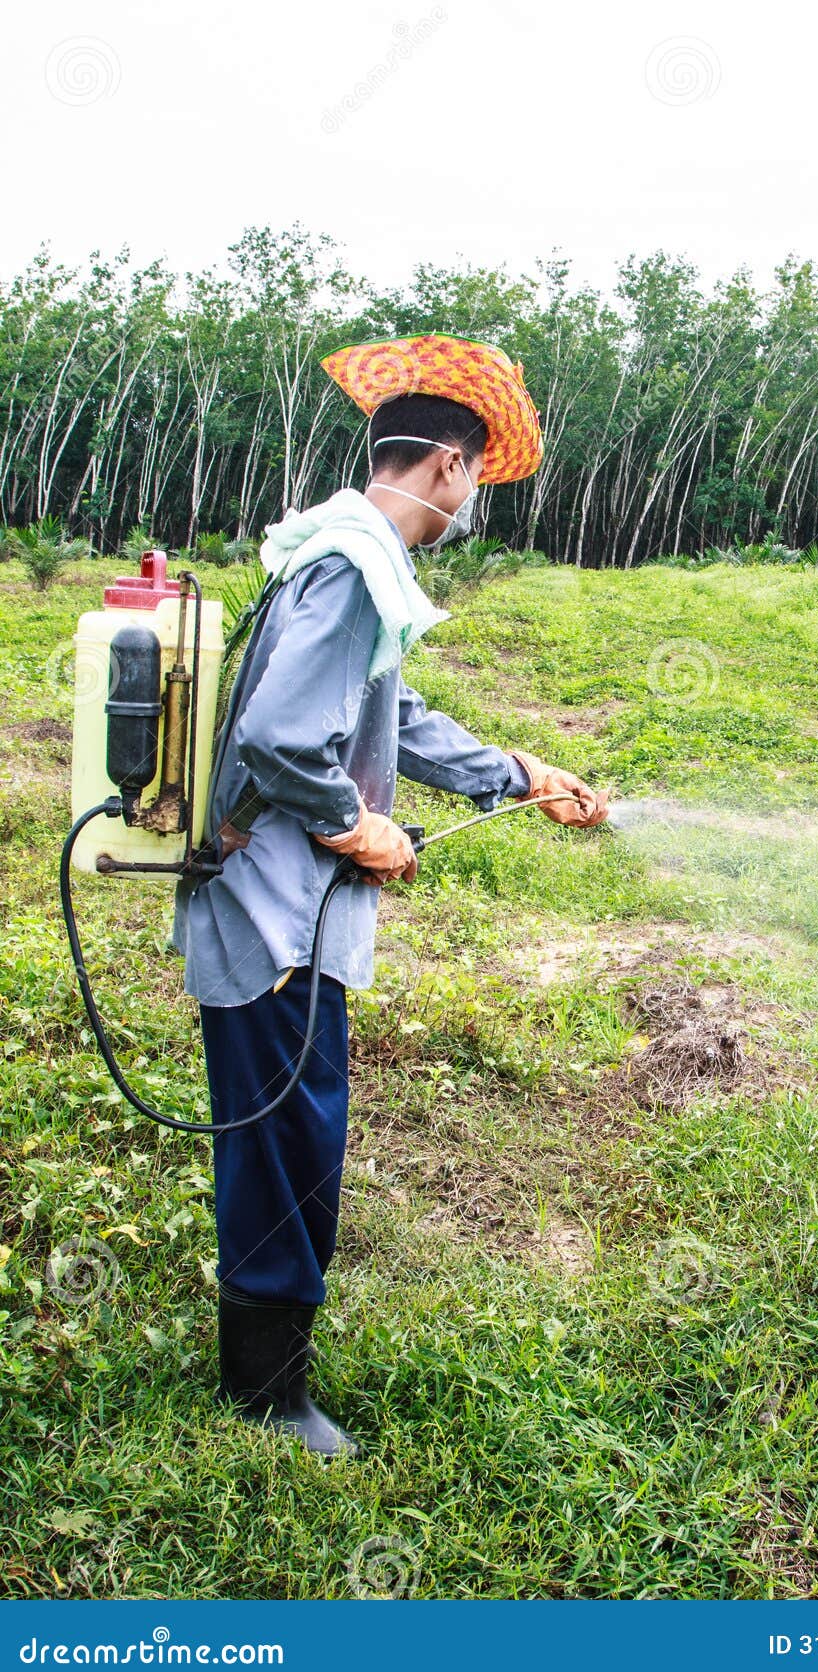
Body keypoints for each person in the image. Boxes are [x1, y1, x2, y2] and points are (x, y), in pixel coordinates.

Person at [172, 335, 609, 1458]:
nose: (471, 503)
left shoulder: (342, 555)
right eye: (476, 483)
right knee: (286, 1138)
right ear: (450, 471)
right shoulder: (353, 566)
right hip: (271, 910)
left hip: (279, 908)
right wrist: (350, 822)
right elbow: (278, 733)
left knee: (296, 1128)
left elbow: (390, 717)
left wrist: (518, 772)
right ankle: (266, 1397)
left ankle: (269, 1364)